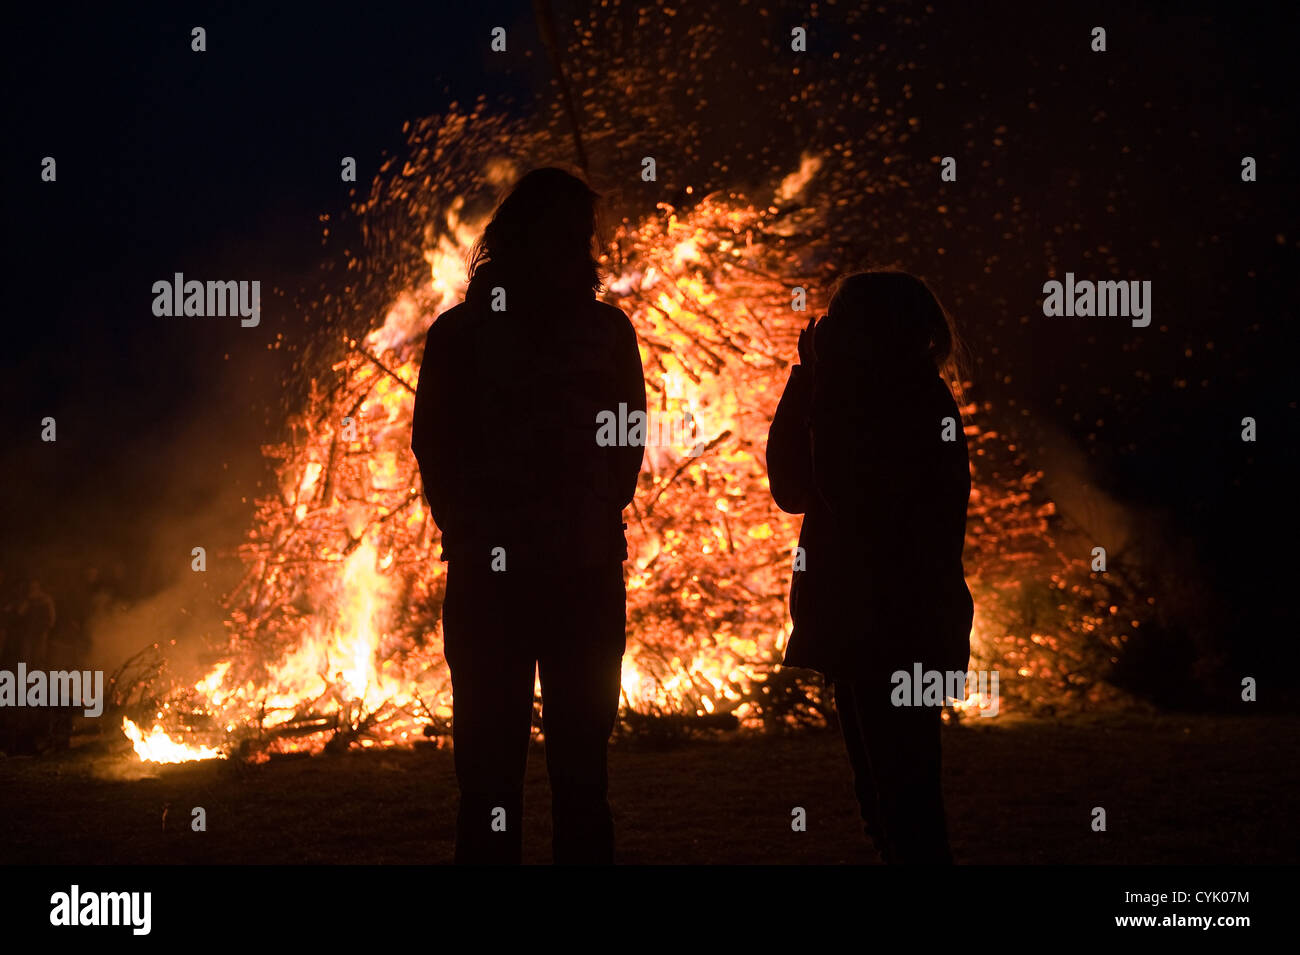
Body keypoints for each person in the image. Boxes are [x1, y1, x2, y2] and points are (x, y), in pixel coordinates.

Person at [411, 167, 646, 864]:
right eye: (573, 233)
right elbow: (624, 443)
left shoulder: (466, 333)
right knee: (556, 773)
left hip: (532, 570)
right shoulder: (599, 332)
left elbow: (434, 444)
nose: (578, 246)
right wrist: (596, 504)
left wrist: (468, 522)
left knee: (521, 774)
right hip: (565, 569)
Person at [766, 270, 973, 864]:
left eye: (842, 322)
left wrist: (822, 386)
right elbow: (791, 488)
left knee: (905, 800)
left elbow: (846, 492)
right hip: (856, 623)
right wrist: (806, 380)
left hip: (899, 625)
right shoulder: (851, 400)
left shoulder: (917, 401)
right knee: (880, 800)